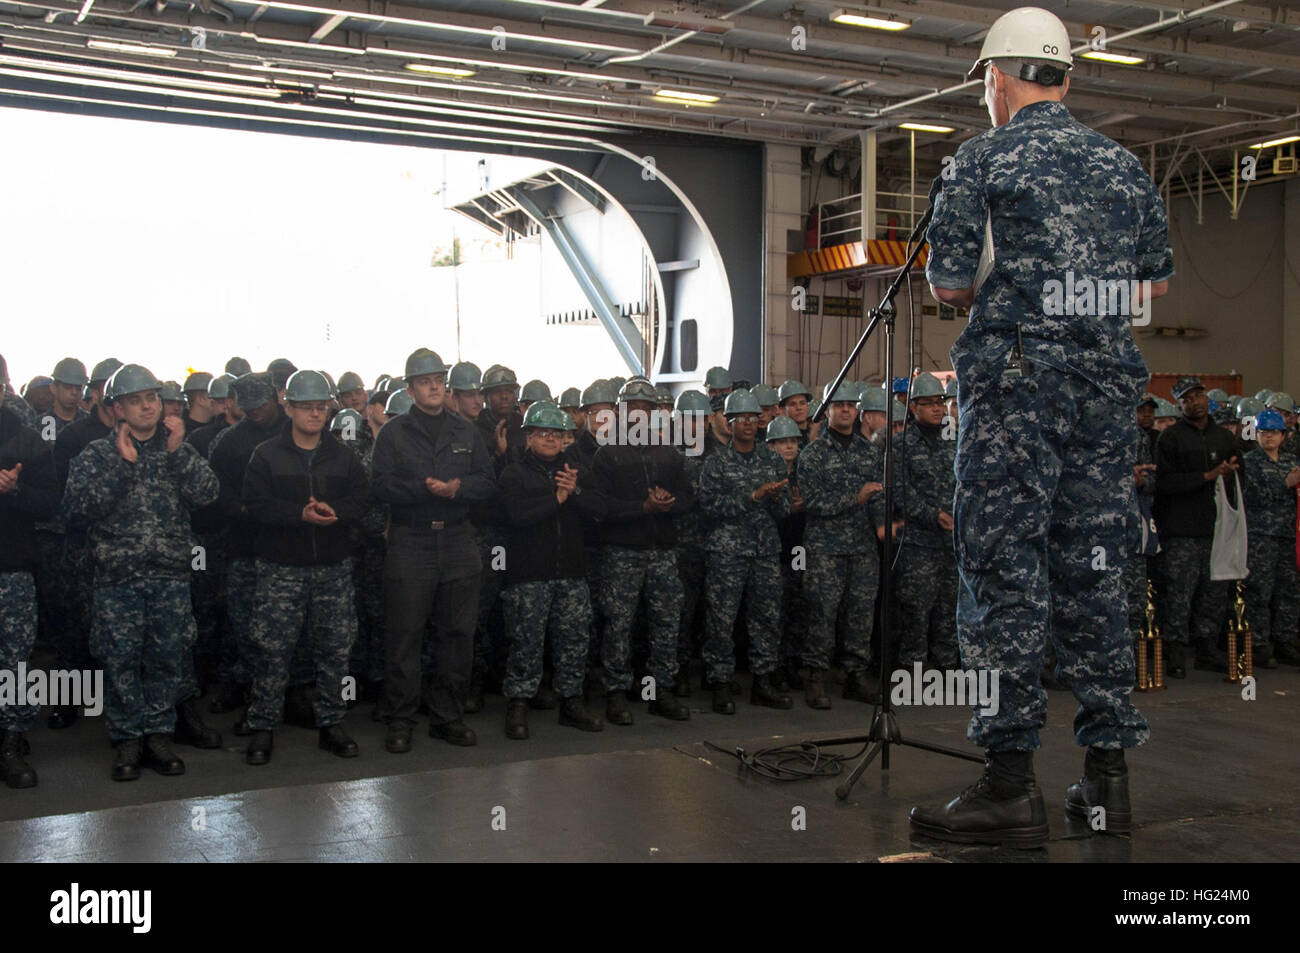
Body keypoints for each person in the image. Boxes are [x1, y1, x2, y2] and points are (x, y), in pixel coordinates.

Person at [912, 6, 1170, 846]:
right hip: (1106, 391)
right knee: (1099, 569)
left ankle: (1009, 782)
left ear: (996, 77)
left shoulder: (982, 159)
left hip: (1017, 388)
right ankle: (1106, 783)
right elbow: (1150, 290)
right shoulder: (1126, 166)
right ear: (1067, 75)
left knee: (1003, 569)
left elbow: (949, 284)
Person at [64, 365, 219, 781]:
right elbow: (79, 507)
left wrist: (179, 451)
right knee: (120, 660)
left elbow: (208, 493)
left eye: (151, 397)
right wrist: (122, 465)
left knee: (167, 658)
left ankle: (158, 734)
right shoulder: (97, 455)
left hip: (169, 575)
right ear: (117, 409)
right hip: (118, 578)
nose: (147, 406)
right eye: (135, 400)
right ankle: (127, 738)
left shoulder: (176, 450)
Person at [240, 370, 370, 764]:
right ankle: (262, 725)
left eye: (322, 407)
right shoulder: (266, 454)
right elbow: (255, 505)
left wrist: (336, 511)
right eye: (307, 407)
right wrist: (298, 515)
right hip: (281, 569)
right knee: (273, 650)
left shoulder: (343, 456)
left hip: (331, 567)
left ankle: (331, 721)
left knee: (334, 649)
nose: (315, 414)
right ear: (289, 407)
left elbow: (362, 500)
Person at [370, 348, 495, 752]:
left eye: (439, 380)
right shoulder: (394, 433)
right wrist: (420, 489)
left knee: (458, 634)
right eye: (426, 381)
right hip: (412, 540)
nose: (435, 387)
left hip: (458, 540)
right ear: (410, 389)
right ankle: (400, 719)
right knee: (405, 634)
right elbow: (380, 486)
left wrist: (457, 489)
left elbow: (487, 482)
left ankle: (447, 717)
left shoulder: (465, 432)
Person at [496, 401, 605, 739]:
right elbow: (515, 516)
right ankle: (518, 704)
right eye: (542, 433)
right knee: (526, 642)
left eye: (556, 434)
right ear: (528, 437)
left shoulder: (576, 470)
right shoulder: (514, 473)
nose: (550, 439)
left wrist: (574, 493)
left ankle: (571, 703)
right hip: (529, 575)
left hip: (571, 573)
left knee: (574, 640)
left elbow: (600, 512)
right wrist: (556, 499)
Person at [589, 378, 694, 724]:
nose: (640, 414)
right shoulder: (607, 455)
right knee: (619, 624)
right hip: (622, 552)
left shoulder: (670, 455)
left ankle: (657, 691)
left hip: (663, 552)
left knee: (665, 623)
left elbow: (690, 500)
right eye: (633, 408)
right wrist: (642, 507)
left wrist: (669, 503)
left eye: (646, 409)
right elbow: (600, 508)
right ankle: (617, 693)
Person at [697, 389, 792, 713]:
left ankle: (762, 682)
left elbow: (784, 512)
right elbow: (707, 507)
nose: (750, 424)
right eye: (742, 419)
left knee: (766, 618)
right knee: (721, 621)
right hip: (727, 553)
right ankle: (720, 683)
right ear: (730, 421)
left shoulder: (773, 460)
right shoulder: (717, 462)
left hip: (765, 551)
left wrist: (777, 499)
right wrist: (751, 497)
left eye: (754, 418)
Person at [796, 380, 886, 709]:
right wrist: (855, 498)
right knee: (822, 613)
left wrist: (880, 523)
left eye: (850, 405)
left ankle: (855, 675)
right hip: (824, 549)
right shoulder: (814, 454)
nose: (846, 409)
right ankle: (816, 676)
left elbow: (878, 494)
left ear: (857, 411)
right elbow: (813, 501)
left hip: (862, 547)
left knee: (861, 615)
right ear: (828, 410)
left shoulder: (869, 452)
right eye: (839, 405)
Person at [0, 379, 62, 787]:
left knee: (14, 661)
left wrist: (15, 490)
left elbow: (50, 502)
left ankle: (11, 739)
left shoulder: (27, 440)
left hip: (11, 567)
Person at [1154, 377, 1237, 677]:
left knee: (1214, 591)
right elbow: (1163, 483)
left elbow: (1240, 477)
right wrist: (1206, 476)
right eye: (1187, 399)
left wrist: (1228, 475)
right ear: (1179, 404)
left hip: (1216, 527)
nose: (1195, 402)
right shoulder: (1171, 438)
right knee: (1179, 593)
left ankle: (1206, 648)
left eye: (1199, 395)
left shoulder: (1223, 437)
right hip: (1180, 529)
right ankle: (1174, 651)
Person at [893, 373, 960, 672]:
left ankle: (947, 663)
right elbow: (900, 491)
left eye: (940, 402)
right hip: (919, 543)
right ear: (912, 407)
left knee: (950, 606)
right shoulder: (901, 444)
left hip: (952, 540)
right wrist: (933, 515)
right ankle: (914, 667)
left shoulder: (954, 440)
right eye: (928, 403)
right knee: (916, 608)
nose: (937, 408)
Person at [1241, 409, 1300, 668]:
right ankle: (1260, 644)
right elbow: (1251, 497)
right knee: (1259, 591)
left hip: (1288, 535)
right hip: (1260, 535)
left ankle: (1286, 640)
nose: (1269, 437)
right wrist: (1284, 484)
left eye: (1274, 432)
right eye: (1264, 432)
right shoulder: (1249, 462)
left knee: (1288, 591)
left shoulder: (1291, 462)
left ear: (1283, 435)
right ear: (1256, 434)